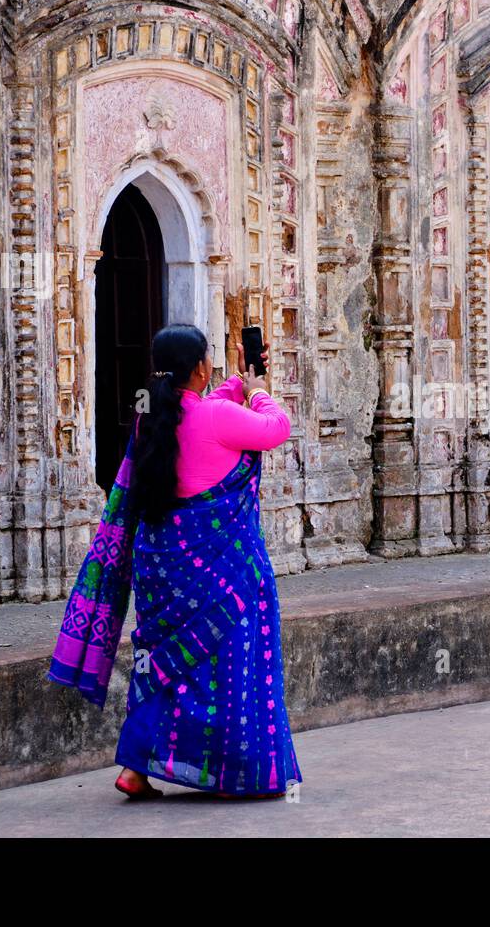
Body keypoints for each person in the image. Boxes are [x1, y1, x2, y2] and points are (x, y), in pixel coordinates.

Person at [48, 323, 301, 799]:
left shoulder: (150, 415)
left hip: (162, 567)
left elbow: (196, 412)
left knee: (162, 667)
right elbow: (276, 429)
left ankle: (135, 769)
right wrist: (261, 392)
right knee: (227, 665)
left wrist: (236, 386)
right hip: (220, 575)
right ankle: (230, 774)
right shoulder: (220, 417)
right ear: (202, 369)